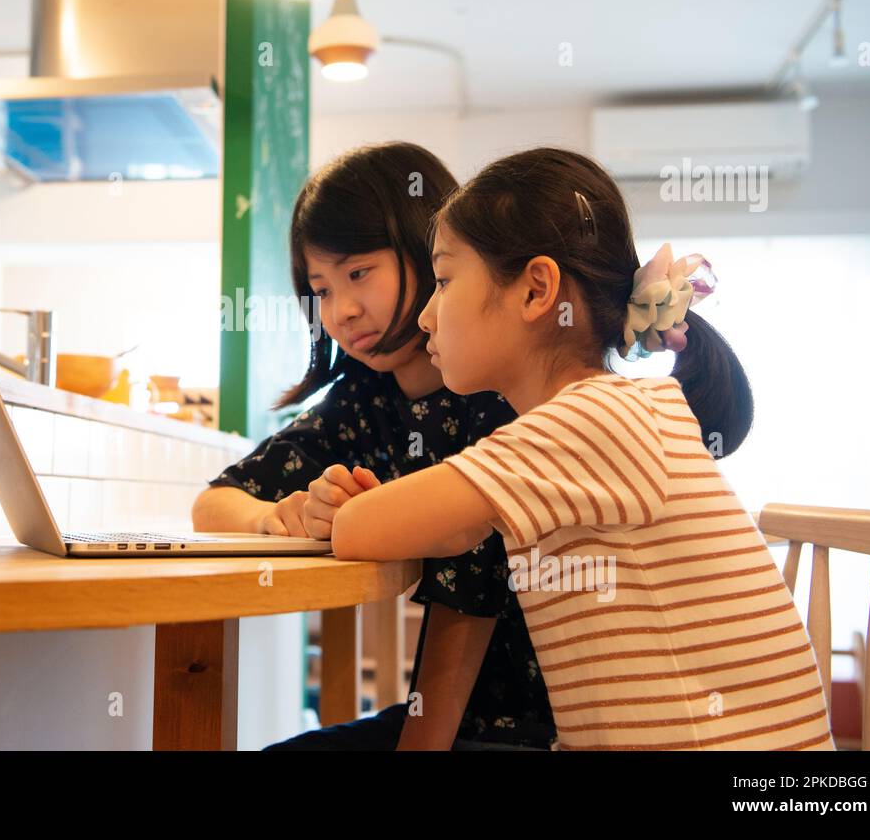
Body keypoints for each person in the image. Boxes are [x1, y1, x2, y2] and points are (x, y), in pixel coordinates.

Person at [321, 146, 834, 750]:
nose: (428, 317)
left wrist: (346, 508)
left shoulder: (587, 420)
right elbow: (414, 527)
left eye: (445, 280)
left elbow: (359, 530)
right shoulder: (616, 412)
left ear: (537, 290)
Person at [193, 142, 555, 750]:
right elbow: (217, 501)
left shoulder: (500, 392)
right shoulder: (365, 399)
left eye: (358, 273)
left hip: (544, 727)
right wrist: (279, 517)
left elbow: (470, 602)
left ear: (432, 252)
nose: (343, 311)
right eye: (322, 290)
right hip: (460, 719)